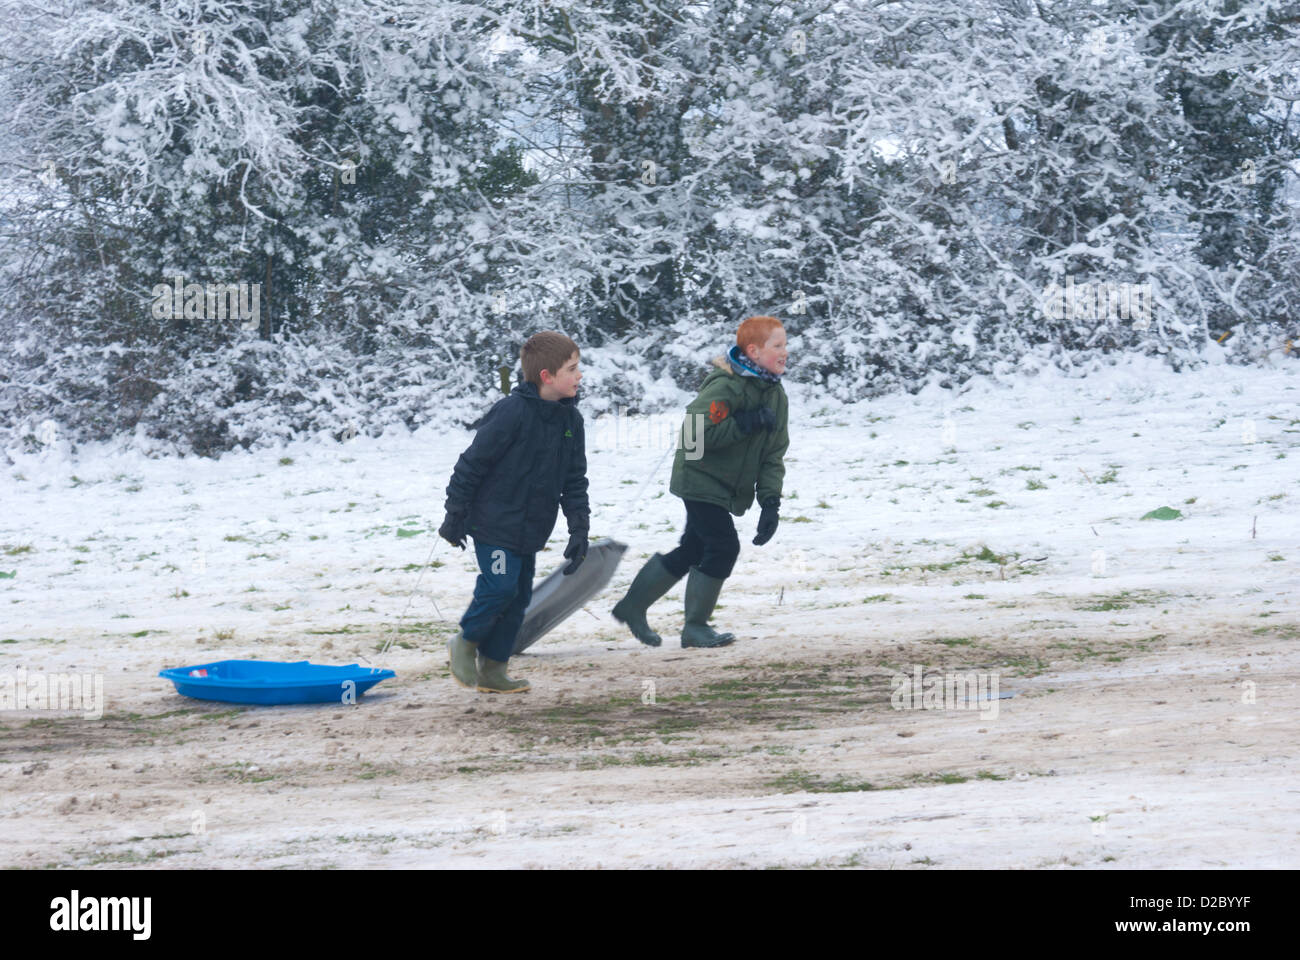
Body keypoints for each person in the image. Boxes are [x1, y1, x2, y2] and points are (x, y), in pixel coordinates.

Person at [612, 315, 789, 648]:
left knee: (694, 548)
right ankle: (694, 627)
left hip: (725, 488)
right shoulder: (726, 386)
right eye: (777, 345)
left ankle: (632, 606)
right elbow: (693, 436)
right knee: (723, 546)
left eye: (785, 345)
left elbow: (773, 454)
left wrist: (771, 502)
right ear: (753, 351)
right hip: (699, 477)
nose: (785, 352)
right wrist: (743, 424)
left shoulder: (775, 396)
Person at [438, 331, 590, 692]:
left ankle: (493, 669)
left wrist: (579, 529)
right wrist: (454, 514)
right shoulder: (512, 412)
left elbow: (574, 480)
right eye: (572, 369)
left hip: (531, 531)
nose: (579, 375)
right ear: (547, 377)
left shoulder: (571, 422)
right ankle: (464, 642)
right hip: (493, 526)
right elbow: (471, 464)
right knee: (501, 587)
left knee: (518, 599)